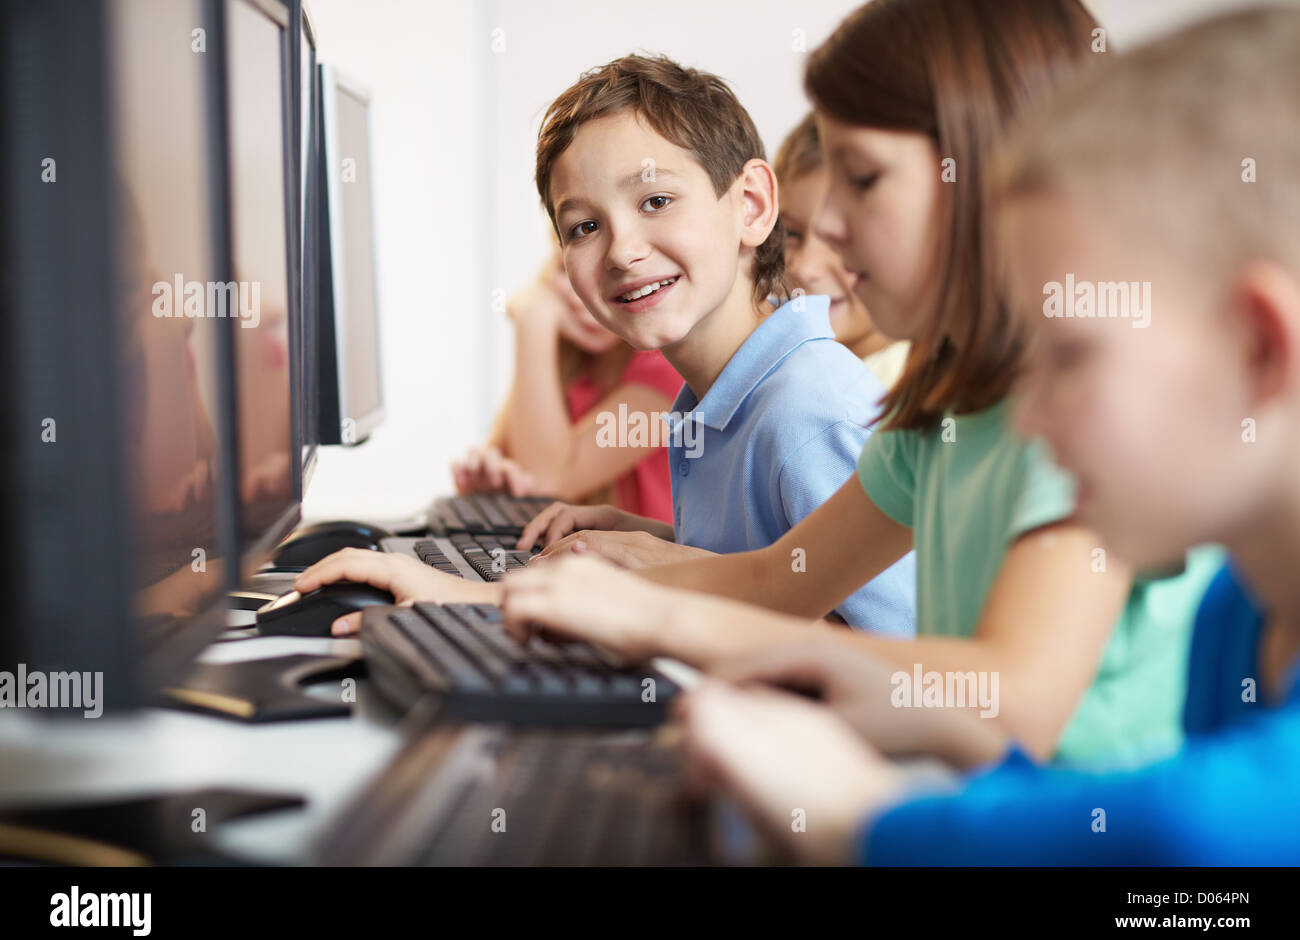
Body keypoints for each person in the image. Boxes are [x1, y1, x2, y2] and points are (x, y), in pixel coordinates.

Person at [496, 0, 1222, 769]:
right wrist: (617, 593)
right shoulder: (936, 404)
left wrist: (654, 618)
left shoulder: (1085, 408)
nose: (827, 230)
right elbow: (780, 578)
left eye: (864, 179)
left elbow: (1014, 703)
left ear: (996, 169)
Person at [682, 4, 1300, 864]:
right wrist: (889, 707)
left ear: (1261, 348)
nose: (1031, 416)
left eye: (1073, 354)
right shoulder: (1240, 615)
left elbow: (1194, 831)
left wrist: (863, 818)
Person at [296, 53, 918, 636]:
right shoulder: (725, 393)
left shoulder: (810, 410)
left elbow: (898, 657)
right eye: (585, 227)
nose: (623, 249)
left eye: (657, 200)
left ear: (751, 206)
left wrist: (642, 567)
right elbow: (779, 571)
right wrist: (653, 540)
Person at [450, 239, 682, 524]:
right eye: (566, 270)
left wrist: (534, 320)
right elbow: (515, 470)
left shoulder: (668, 364)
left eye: (607, 271)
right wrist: (493, 485)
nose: (584, 295)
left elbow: (547, 481)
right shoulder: (569, 360)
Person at [774, 112, 909, 388]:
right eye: (791, 234)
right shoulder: (780, 370)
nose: (804, 268)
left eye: (836, 238)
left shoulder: (905, 391)